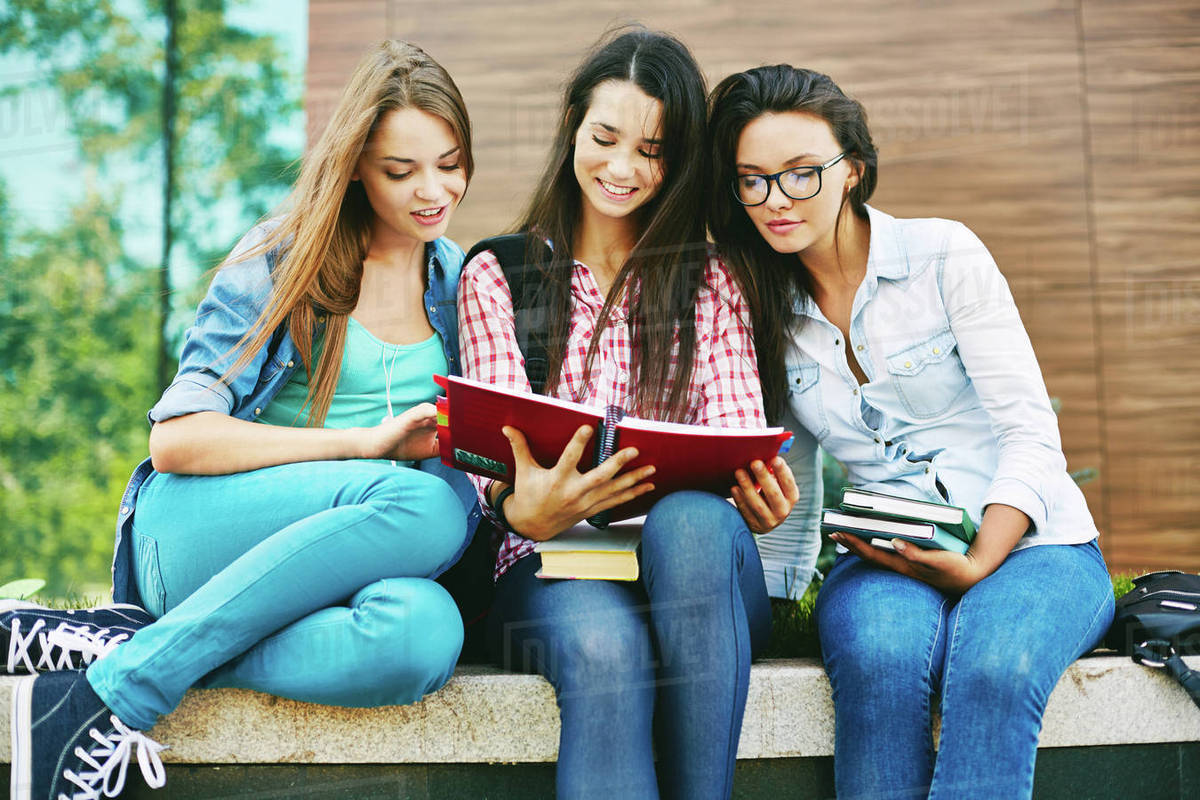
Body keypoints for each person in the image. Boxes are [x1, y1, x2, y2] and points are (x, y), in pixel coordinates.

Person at [7, 40, 480, 800]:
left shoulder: (462, 282)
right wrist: (364, 446)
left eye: (450, 164)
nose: (433, 190)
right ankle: (111, 698)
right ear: (355, 168)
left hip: (340, 567)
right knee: (426, 504)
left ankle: (127, 649)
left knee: (424, 635)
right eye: (401, 171)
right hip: (199, 533)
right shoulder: (282, 258)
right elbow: (176, 439)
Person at [706, 64, 1116, 799]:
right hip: (884, 556)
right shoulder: (759, 303)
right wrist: (775, 603)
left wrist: (980, 560)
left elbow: (1030, 428)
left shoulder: (943, 255)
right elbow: (791, 475)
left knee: (994, 669)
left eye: (801, 173)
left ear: (853, 170)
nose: (777, 199)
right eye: (753, 180)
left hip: (1036, 544)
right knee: (879, 663)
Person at [457, 27, 815, 800]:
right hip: (555, 568)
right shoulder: (499, 273)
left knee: (691, 523)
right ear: (573, 129)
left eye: (651, 151)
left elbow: (735, 438)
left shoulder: (712, 281)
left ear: (679, 161)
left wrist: (756, 499)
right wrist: (522, 506)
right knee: (607, 653)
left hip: (697, 572)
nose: (622, 168)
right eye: (605, 138)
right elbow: (490, 464)